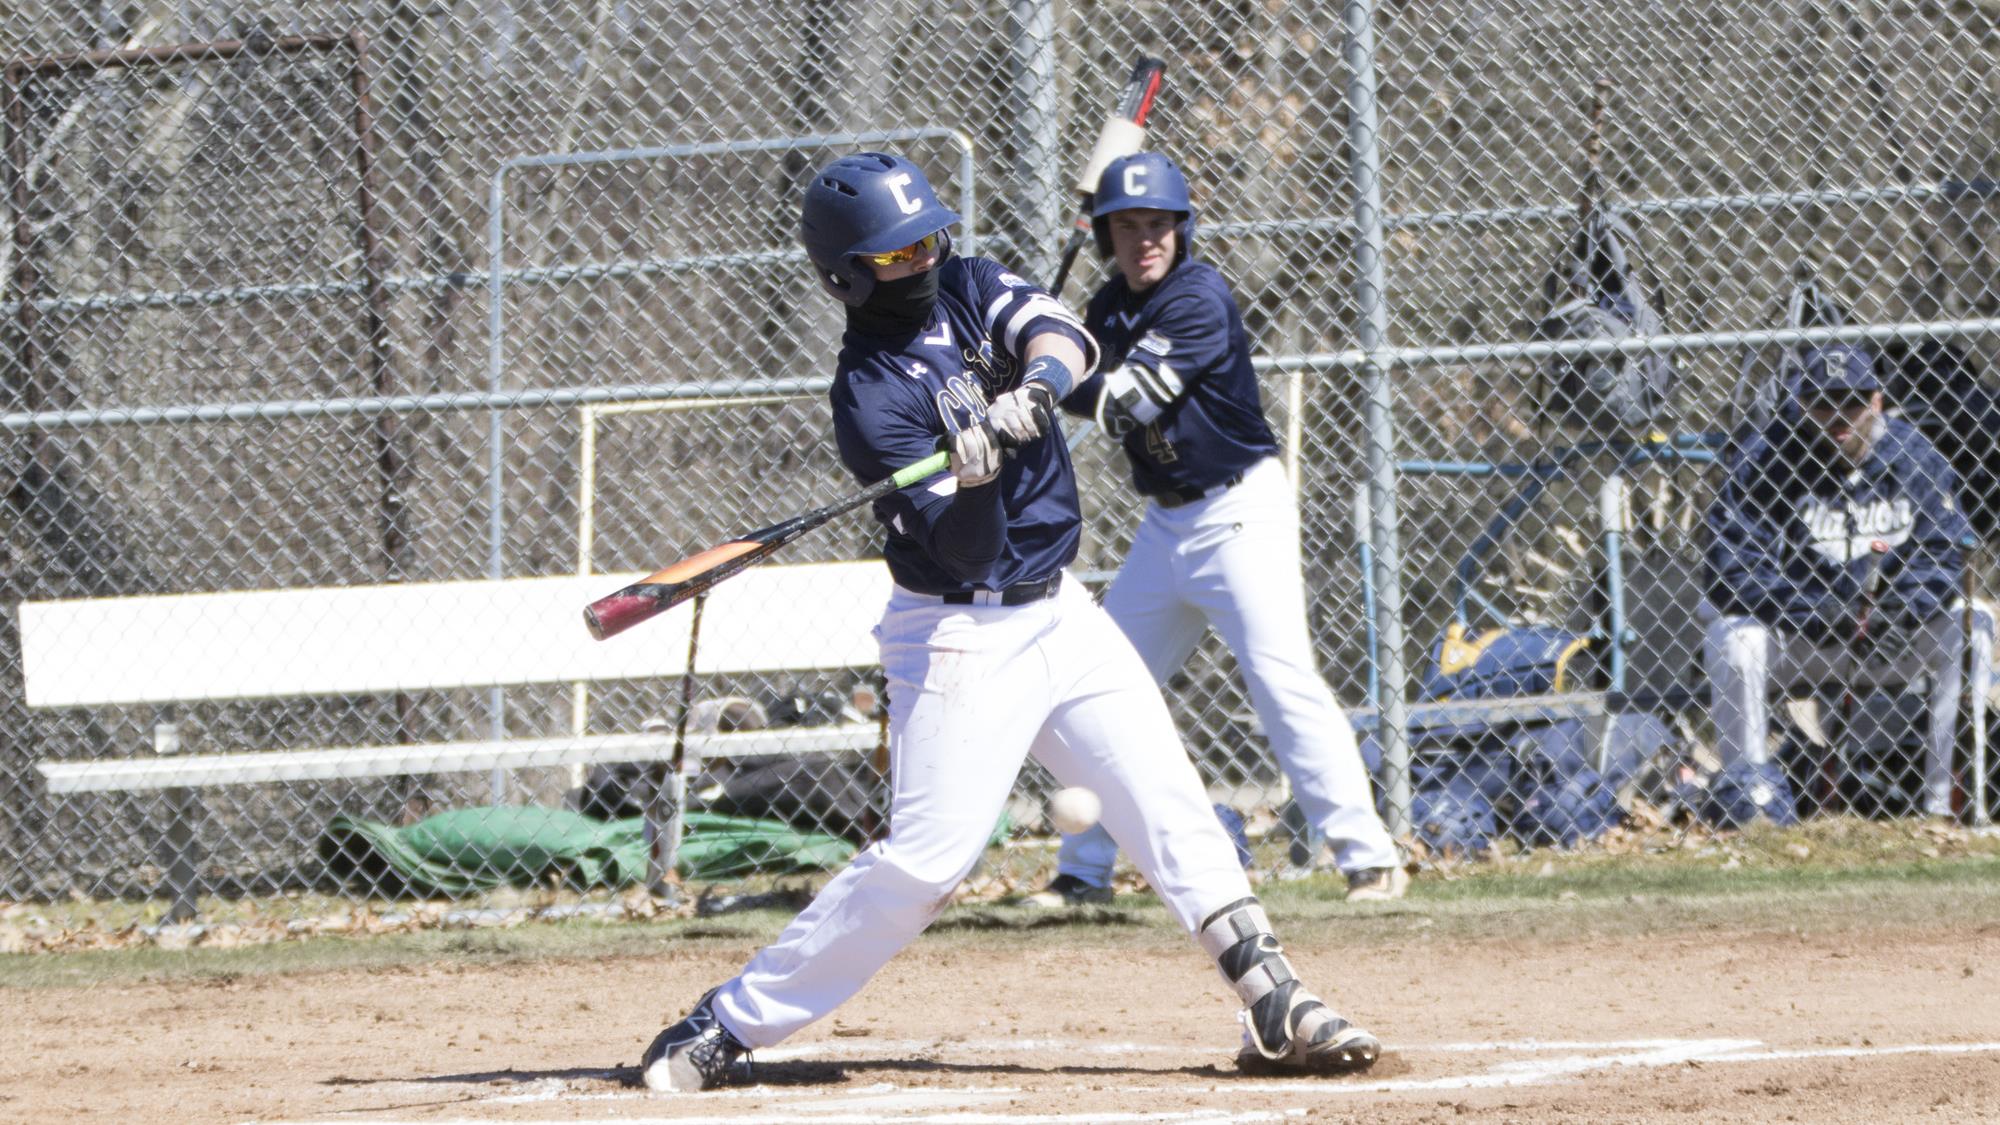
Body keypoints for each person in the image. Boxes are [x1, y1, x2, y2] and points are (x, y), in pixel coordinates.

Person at [637, 151, 1383, 1092]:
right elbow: (965, 550)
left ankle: (1273, 998)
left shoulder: (970, 281)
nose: (922, 259)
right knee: (928, 862)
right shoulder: (870, 399)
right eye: (897, 253)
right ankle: (729, 1021)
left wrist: (1032, 391)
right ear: (848, 274)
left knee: (1167, 800)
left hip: (1059, 610)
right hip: (957, 635)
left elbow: (1061, 332)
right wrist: (979, 474)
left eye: (926, 239)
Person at [1032, 152, 1406, 905]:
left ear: (1182, 229)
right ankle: (1083, 874)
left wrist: (1042, 380)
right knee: (1098, 691)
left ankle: (1370, 857)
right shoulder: (1107, 309)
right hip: (1164, 522)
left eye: (1160, 225)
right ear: (1106, 235)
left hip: (1239, 514)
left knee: (1281, 681)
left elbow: (1125, 402)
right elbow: (1072, 355)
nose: (1147, 240)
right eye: (1129, 226)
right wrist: (1027, 348)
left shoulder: (1197, 297)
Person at [1704, 343, 1993, 822]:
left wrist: (1905, 608)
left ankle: (1947, 813)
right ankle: (1752, 807)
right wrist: (1811, 610)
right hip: (1803, 640)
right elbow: (1730, 567)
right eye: (1822, 402)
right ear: (1801, 403)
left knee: (1974, 629)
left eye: (1853, 400)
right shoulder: (1766, 460)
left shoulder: (1914, 456)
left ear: (1876, 401)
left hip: (1890, 637)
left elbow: (1945, 549)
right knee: (1731, 640)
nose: (1839, 416)